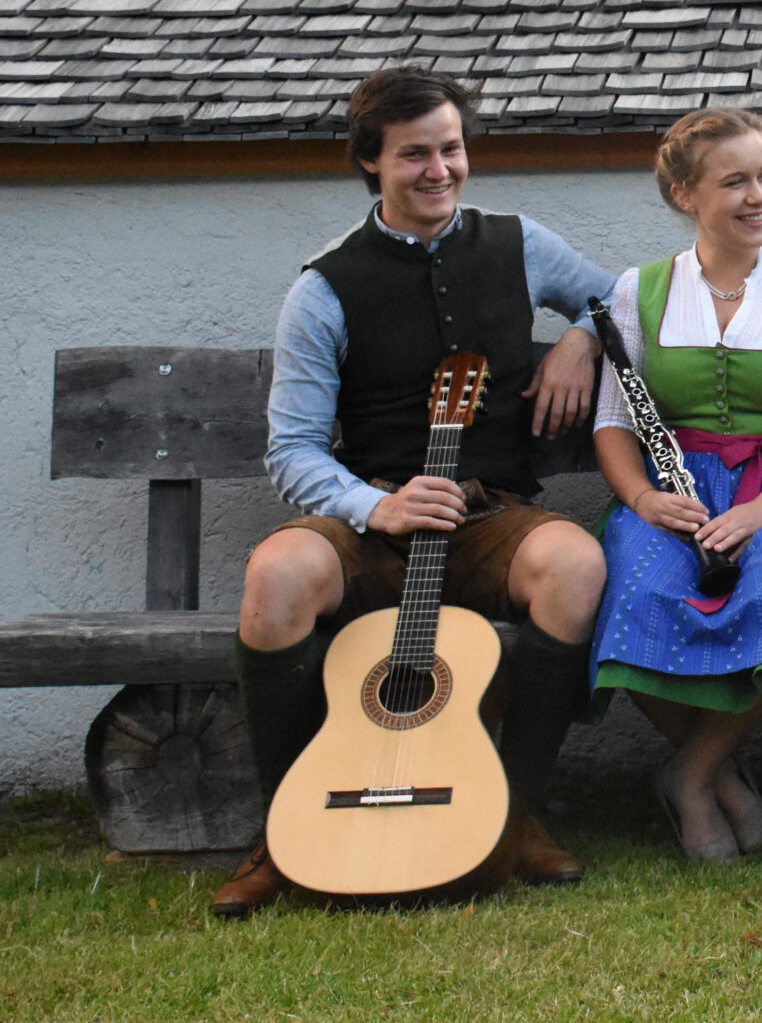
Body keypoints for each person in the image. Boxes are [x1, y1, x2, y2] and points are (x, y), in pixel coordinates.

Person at [212, 66, 616, 918]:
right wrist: (373, 504)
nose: (440, 170)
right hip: (373, 520)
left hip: (489, 514)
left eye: (452, 149)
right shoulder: (323, 287)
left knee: (576, 565)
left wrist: (582, 337)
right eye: (415, 155)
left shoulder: (517, 243)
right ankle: (284, 827)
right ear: (371, 164)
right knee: (275, 577)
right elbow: (289, 448)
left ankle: (511, 808)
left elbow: (620, 302)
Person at [589, 107, 762, 862]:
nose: (758, 195)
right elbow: (614, 424)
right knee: (632, 583)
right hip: (672, 489)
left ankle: (691, 772)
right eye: (734, 180)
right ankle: (724, 776)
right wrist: (643, 499)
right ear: (685, 195)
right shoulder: (638, 288)